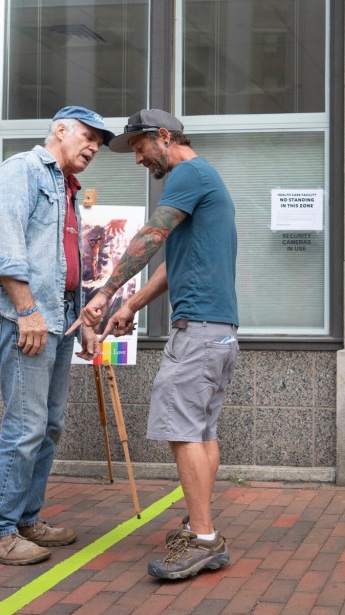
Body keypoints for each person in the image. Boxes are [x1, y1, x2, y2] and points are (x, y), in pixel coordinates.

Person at [67, 108, 239, 580]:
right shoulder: (205, 180)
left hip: (199, 332)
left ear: (164, 136)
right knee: (201, 431)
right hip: (217, 329)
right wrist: (131, 305)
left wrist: (103, 292)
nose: (138, 159)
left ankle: (203, 539)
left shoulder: (188, 173)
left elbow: (151, 236)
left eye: (140, 148)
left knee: (184, 431)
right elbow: (174, 261)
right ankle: (201, 525)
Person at [0, 106, 113, 565]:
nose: (92, 148)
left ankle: (24, 518)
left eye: (98, 143)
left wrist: (83, 322)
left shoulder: (66, 188)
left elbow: (65, 264)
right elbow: (4, 245)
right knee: (26, 425)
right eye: (88, 137)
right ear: (60, 130)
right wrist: (27, 310)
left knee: (48, 425)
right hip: (22, 318)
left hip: (56, 318)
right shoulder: (23, 170)